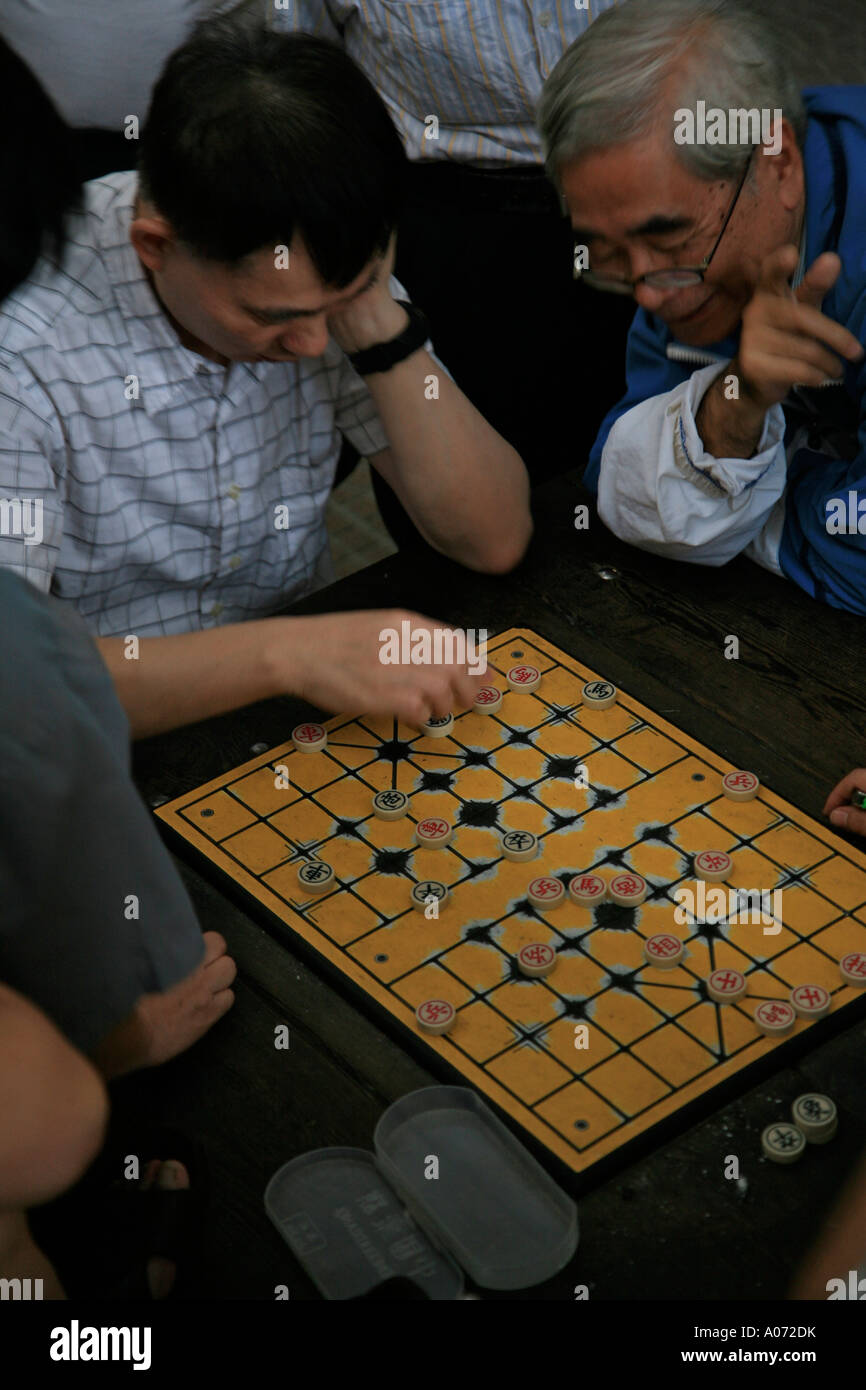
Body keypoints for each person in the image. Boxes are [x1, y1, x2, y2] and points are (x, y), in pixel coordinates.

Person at [0, 19, 531, 739]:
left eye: (339, 303)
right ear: (156, 246)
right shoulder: (21, 348)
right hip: (104, 747)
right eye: (274, 317)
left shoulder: (323, 269)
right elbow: (18, 689)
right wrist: (285, 655)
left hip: (295, 720)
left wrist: (375, 320)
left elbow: (492, 537)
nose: (313, 342)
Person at [537, 0, 866, 615]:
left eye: (671, 238)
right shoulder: (678, 269)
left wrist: (741, 507)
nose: (650, 295)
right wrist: (735, 403)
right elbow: (623, 479)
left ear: (780, 163)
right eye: (604, 250)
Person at [271, 0, 637, 547]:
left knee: (651, 468)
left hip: (643, 185)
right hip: (449, 221)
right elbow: (299, 71)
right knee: (457, 513)